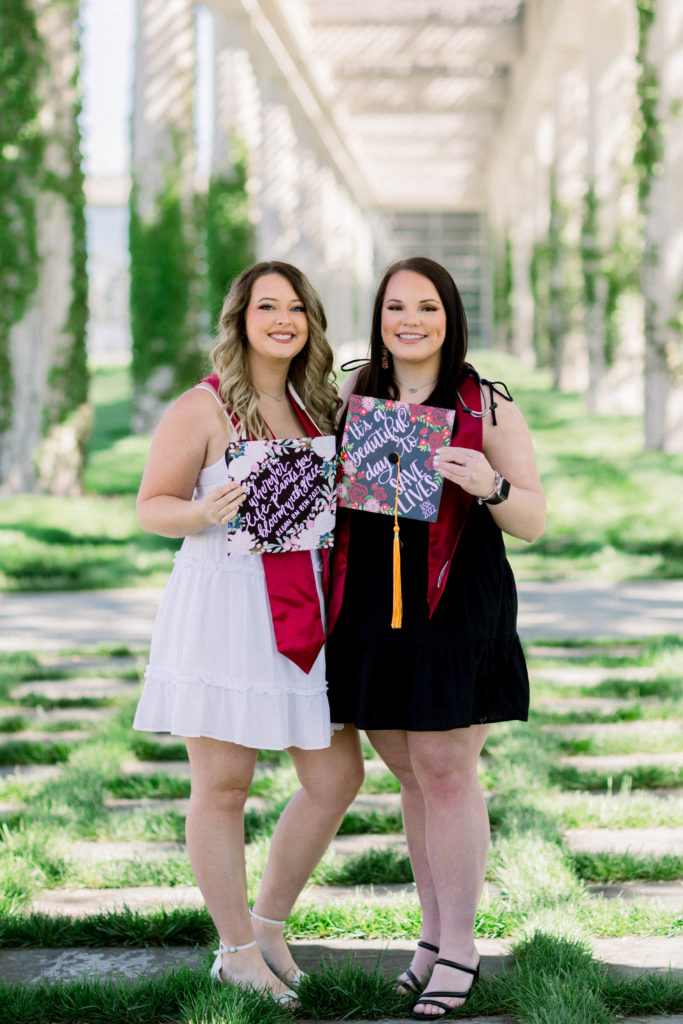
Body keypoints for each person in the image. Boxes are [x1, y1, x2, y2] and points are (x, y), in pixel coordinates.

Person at [133, 260, 364, 1004]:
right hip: (226, 608)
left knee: (335, 777)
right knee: (224, 785)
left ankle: (267, 928)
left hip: (305, 607)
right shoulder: (201, 409)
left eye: (296, 308)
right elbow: (152, 504)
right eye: (267, 307)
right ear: (240, 319)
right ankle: (233, 950)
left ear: (310, 323)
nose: (283, 320)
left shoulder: (319, 405)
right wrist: (202, 513)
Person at [326, 256, 545, 1020]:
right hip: (370, 606)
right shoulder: (353, 393)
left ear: (450, 318)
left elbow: (533, 520)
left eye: (426, 307)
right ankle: (429, 935)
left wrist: (489, 484)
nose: (409, 320)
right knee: (410, 775)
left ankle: (461, 945)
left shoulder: (485, 403)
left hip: (456, 602)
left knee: (447, 770)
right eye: (395, 307)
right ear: (378, 319)